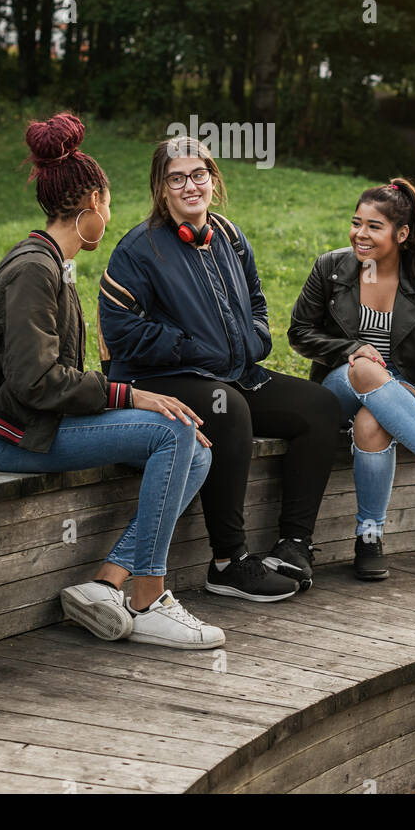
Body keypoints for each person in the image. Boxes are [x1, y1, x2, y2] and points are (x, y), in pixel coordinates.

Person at [0, 111, 224, 649]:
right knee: (172, 430)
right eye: (106, 207)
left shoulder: (50, 264)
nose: (108, 219)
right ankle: (149, 596)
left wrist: (125, 397)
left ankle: (108, 582)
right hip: (9, 435)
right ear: (88, 209)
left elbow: (50, 375)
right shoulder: (32, 270)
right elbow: (35, 382)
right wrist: (128, 395)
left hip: (39, 421)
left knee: (194, 449)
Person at [97, 135, 344, 602]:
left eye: (199, 174)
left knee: (320, 407)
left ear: (213, 178)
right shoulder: (137, 251)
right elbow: (121, 330)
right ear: (161, 188)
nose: (190, 186)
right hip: (157, 379)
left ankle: (293, 544)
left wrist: (253, 340)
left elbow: (256, 303)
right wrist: (192, 349)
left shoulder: (229, 236)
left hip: (232, 372)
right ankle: (227, 562)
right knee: (229, 410)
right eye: (177, 178)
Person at [288, 176, 415, 581]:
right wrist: (348, 350)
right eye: (356, 223)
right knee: (364, 367)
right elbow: (299, 332)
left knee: (372, 423)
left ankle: (369, 536)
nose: (360, 234)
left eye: (373, 226)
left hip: (407, 391)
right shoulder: (331, 269)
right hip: (340, 386)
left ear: (402, 234)